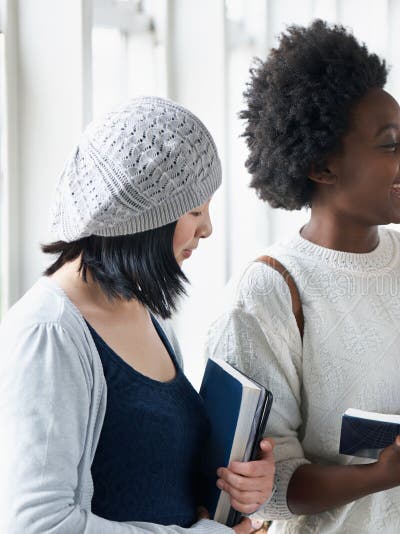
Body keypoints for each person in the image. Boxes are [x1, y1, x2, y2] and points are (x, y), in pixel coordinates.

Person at [205, 20, 400, 533]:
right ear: (322, 166)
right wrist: (383, 475)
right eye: (389, 145)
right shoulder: (269, 293)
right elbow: (263, 490)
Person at [0, 97, 274, 533]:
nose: (207, 229)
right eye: (195, 211)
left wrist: (239, 487)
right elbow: (40, 525)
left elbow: (154, 478)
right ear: (145, 220)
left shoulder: (146, 315)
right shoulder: (49, 334)